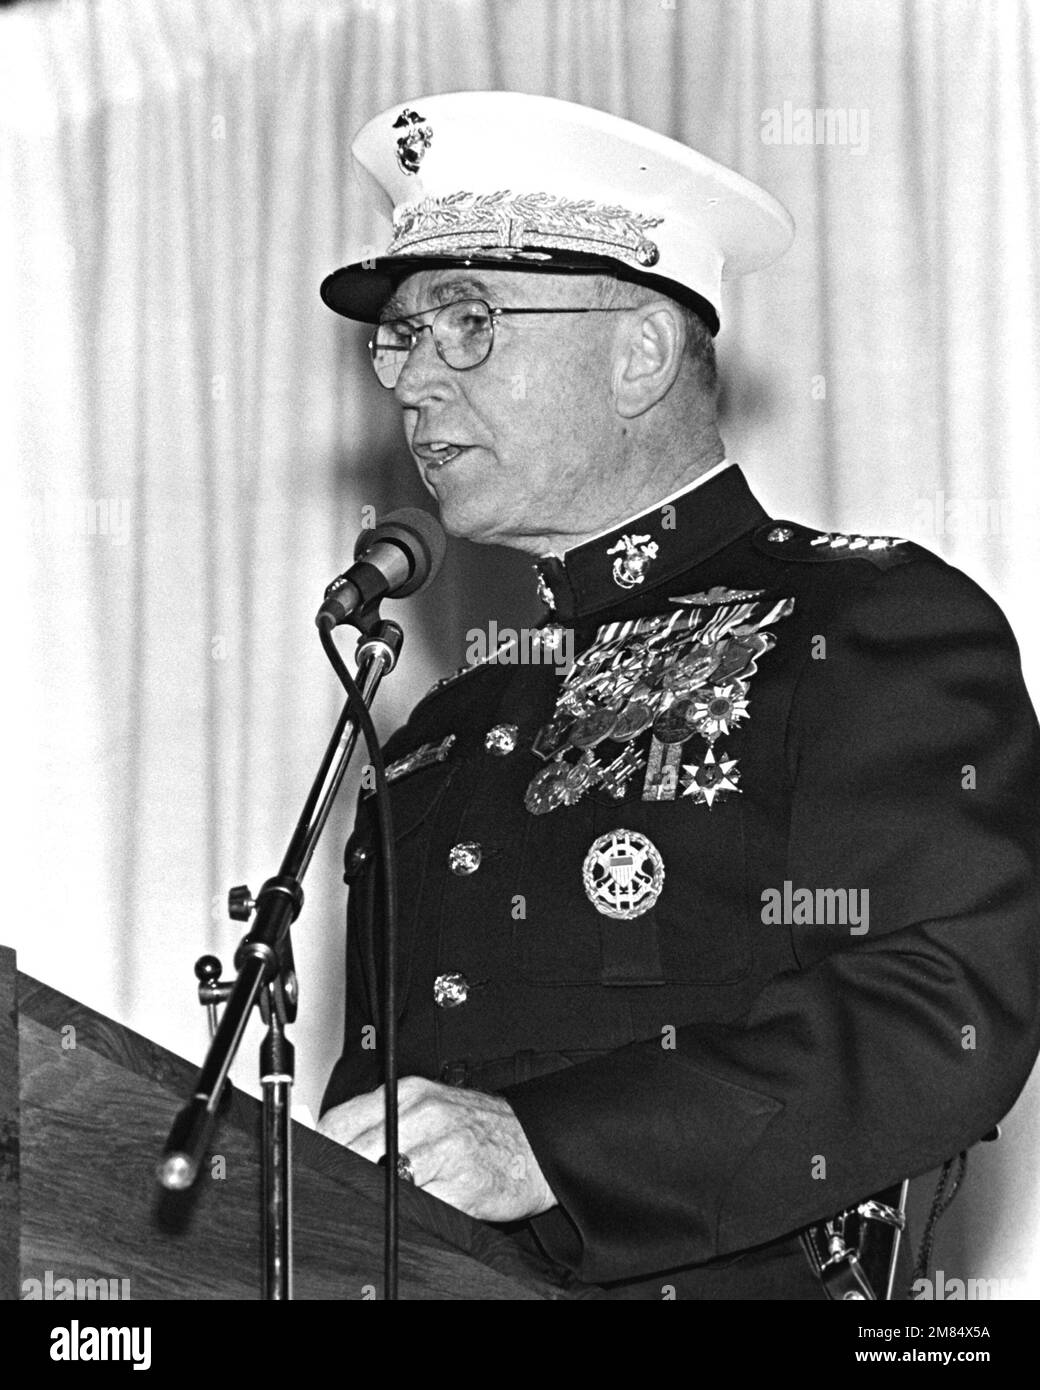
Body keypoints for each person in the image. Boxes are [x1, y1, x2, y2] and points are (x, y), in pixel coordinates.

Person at [315, 91, 1040, 1299]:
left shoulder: (862, 624)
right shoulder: (441, 729)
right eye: (400, 335)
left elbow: (943, 1004)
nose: (413, 382)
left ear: (639, 353)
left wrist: (546, 1147)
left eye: (467, 323)